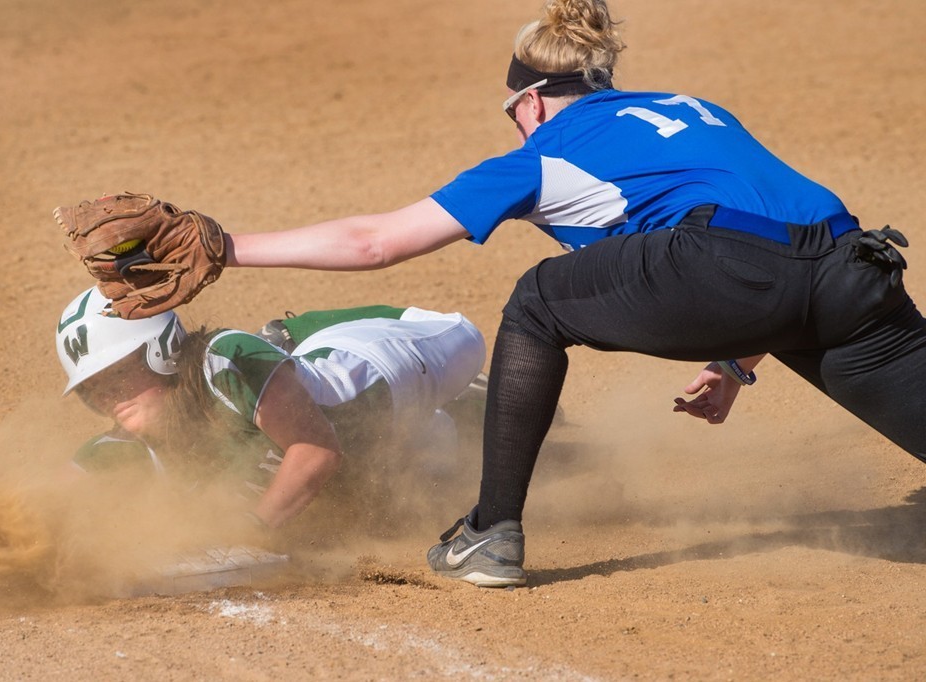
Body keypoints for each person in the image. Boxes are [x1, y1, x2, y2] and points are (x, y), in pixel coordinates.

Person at [199, 0, 921, 586]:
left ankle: (489, 533)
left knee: (537, 302)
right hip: (855, 271)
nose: (515, 127)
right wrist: (737, 360)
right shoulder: (691, 108)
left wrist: (226, 249)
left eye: (511, 113)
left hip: (731, 269)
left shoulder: (548, 150)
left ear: (534, 103)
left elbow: (375, 242)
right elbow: (781, 236)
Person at [55, 286, 487, 530]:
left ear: (159, 352)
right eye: (93, 390)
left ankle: (484, 397)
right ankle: (456, 419)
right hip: (375, 445)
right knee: (432, 472)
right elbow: (55, 494)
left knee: (466, 345)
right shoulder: (137, 440)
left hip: (387, 367)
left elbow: (317, 450)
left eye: (117, 376)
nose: (110, 398)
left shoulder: (223, 362)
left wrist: (253, 529)